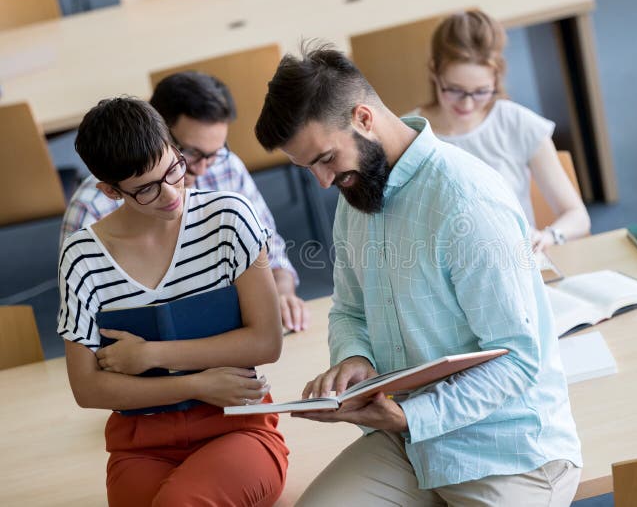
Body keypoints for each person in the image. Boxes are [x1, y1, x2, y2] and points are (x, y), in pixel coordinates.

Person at [254, 45, 582, 505]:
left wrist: (412, 417)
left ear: (364, 118)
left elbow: (518, 361)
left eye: (326, 158)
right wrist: (355, 359)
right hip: (409, 442)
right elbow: (349, 310)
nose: (322, 182)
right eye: (308, 167)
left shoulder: (467, 203)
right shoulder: (356, 198)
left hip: (506, 451)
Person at [57, 97, 288, 506]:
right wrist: (196, 382)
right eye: (145, 188)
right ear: (110, 190)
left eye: (173, 169)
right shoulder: (82, 257)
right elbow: (88, 388)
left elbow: (266, 341)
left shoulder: (230, 218)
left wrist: (151, 356)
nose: (170, 194)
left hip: (237, 425)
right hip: (140, 445)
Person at [60, 71, 309, 331]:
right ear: (159, 134)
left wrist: (281, 292)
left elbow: (271, 250)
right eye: (191, 153)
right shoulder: (90, 210)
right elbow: (90, 319)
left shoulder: (226, 166)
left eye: (213, 154)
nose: (202, 169)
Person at [413, 10, 590, 251]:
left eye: (480, 91)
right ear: (434, 72)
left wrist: (548, 237)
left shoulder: (517, 123)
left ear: (496, 79)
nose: (466, 104)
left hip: (513, 259)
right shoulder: (410, 134)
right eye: (454, 90)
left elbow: (577, 215)